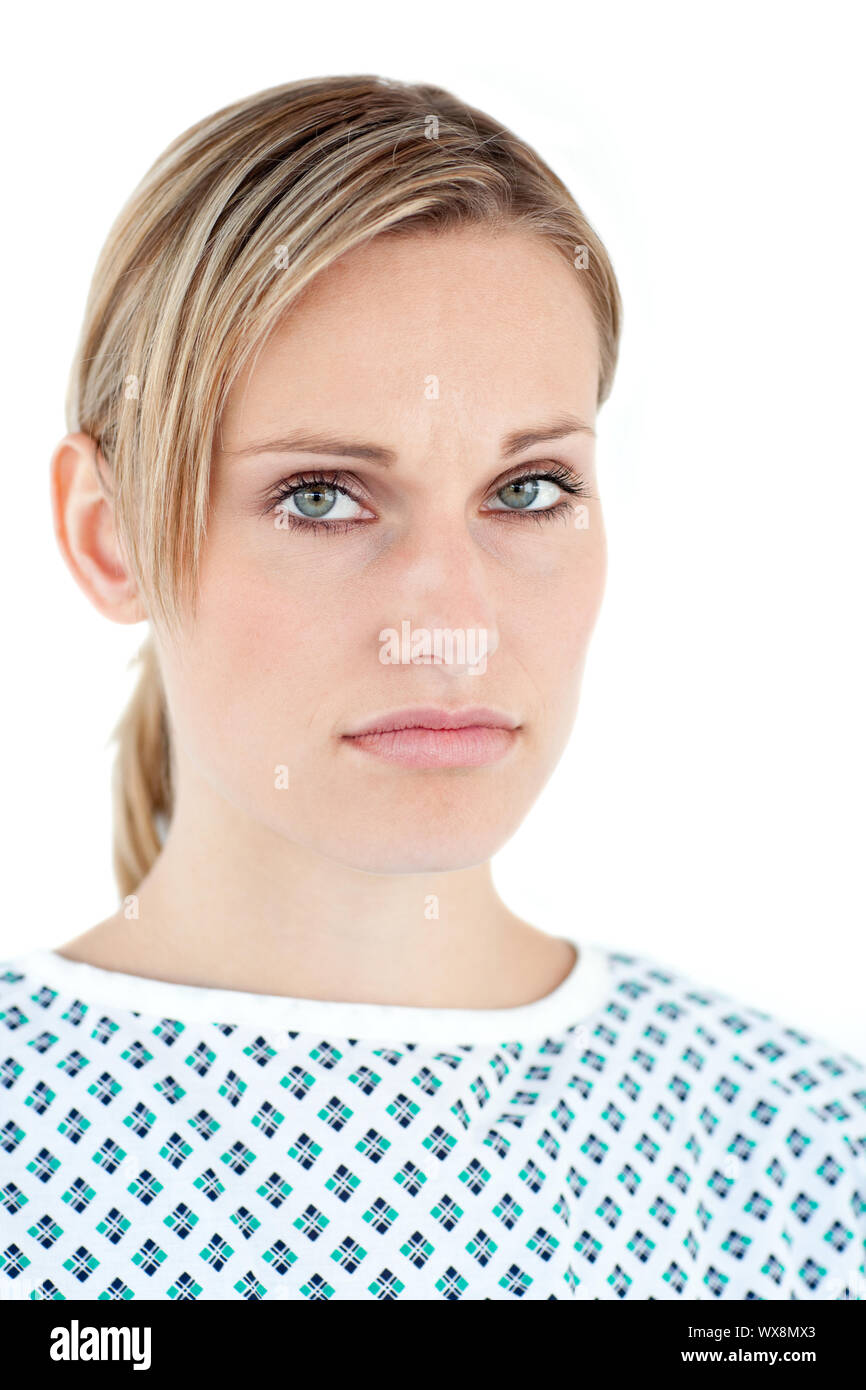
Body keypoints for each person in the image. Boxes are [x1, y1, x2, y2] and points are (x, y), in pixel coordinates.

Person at [1, 75, 862, 1302]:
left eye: (527, 490)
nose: (452, 628)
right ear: (107, 536)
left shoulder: (807, 1162)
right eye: (320, 497)